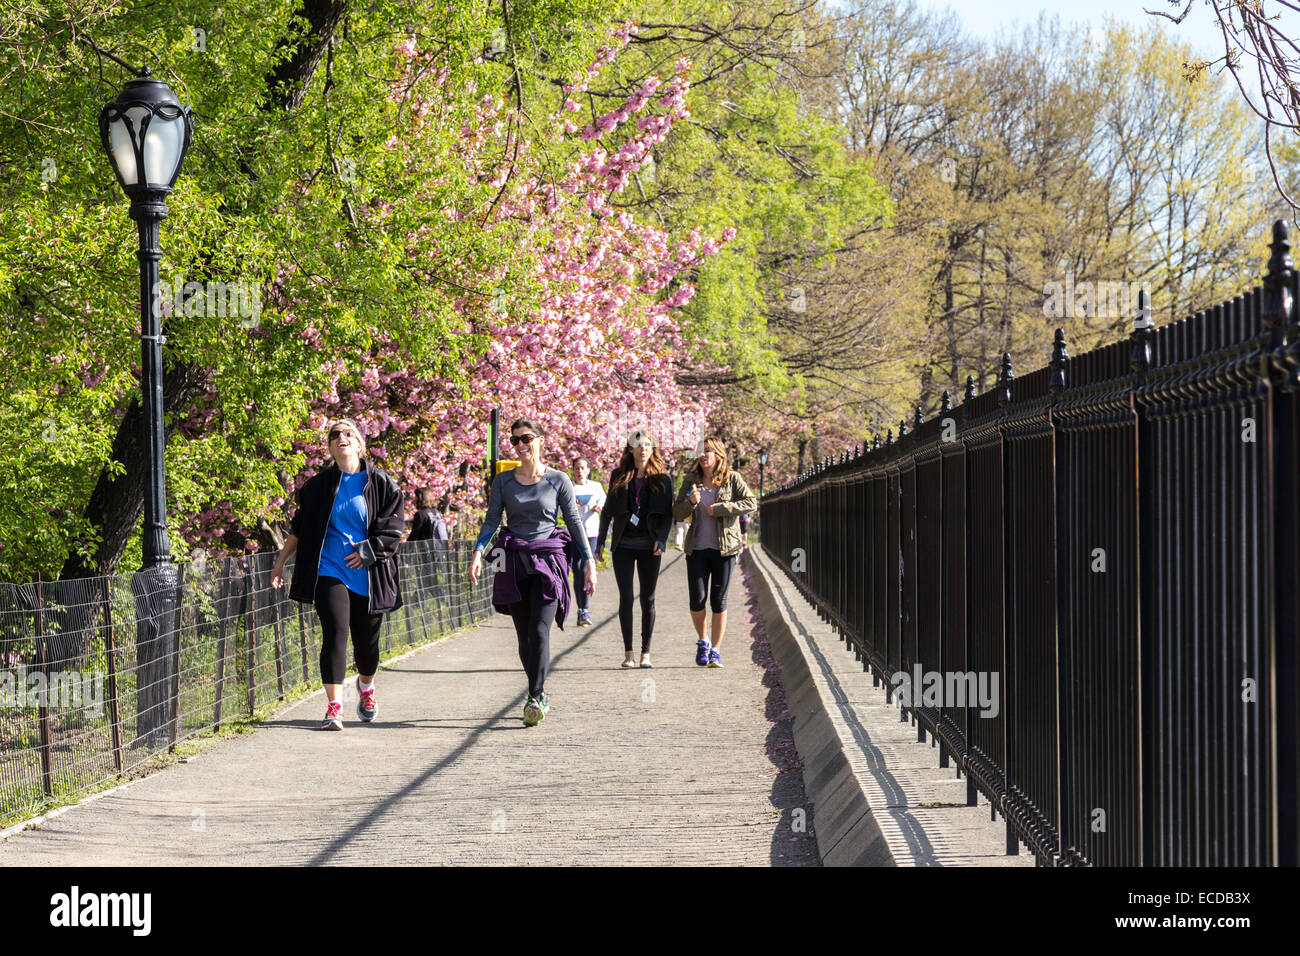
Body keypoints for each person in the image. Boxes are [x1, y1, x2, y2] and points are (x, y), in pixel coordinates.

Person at [271, 419, 405, 729]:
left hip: (370, 576)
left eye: (348, 434)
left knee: (367, 646)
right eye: (334, 435)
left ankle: (366, 687)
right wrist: (280, 564)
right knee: (334, 632)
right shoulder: (317, 487)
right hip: (329, 570)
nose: (341, 438)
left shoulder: (384, 485)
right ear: (330, 447)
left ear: (359, 443)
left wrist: (366, 552)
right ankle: (334, 707)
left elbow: (393, 530)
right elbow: (300, 529)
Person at [469, 418, 596, 726]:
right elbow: (491, 521)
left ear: (541, 440)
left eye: (526, 438)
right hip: (512, 561)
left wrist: (589, 562)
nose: (521, 445)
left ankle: (535, 695)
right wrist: (478, 552)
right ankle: (538, 692)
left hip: (548, 562)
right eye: (515, 441)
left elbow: (574, 522)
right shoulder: (503, 481)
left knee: (539, 631)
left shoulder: (558, 479)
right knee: (524, 638)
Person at [672, 437, 757, 668]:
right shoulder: (691, 480)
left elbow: (751, 502)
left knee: (718, 600)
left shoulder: (732, 478)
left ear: (718, 454)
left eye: (708, 451)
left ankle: (716, 651)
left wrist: (721, 508)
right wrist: (690, 502)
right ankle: (703, 640)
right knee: (697, 600)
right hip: (697, 548)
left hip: (725, 549)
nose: (703, 455)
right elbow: (677, 513)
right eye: (701, 451)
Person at [595, 430, 675, 668]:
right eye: (638, 445)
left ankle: (645, 653)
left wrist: (661, 540)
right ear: (630, 449)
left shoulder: (663, 479)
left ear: (652, 449)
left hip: (650, 545)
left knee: (648, 599)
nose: (643, 449)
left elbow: (668, 515)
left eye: (648, 445)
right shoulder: (619, 476)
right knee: (626, 598)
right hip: (624, 545)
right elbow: (608, 511)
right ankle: (628, 653)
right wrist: (600, 542)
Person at [569, 457, 605, 627]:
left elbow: (605, 500)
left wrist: (599, 506)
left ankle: (585, 609)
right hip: (574, 534)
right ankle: (580, 609)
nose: (580, 471)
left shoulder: (596, 487)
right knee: (576, 570)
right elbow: (561, 507)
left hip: (590, 533)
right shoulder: (569, 487)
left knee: (586, 568)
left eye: (583, 467)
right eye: (577, 468)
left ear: (588, 470)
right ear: (573, 470)